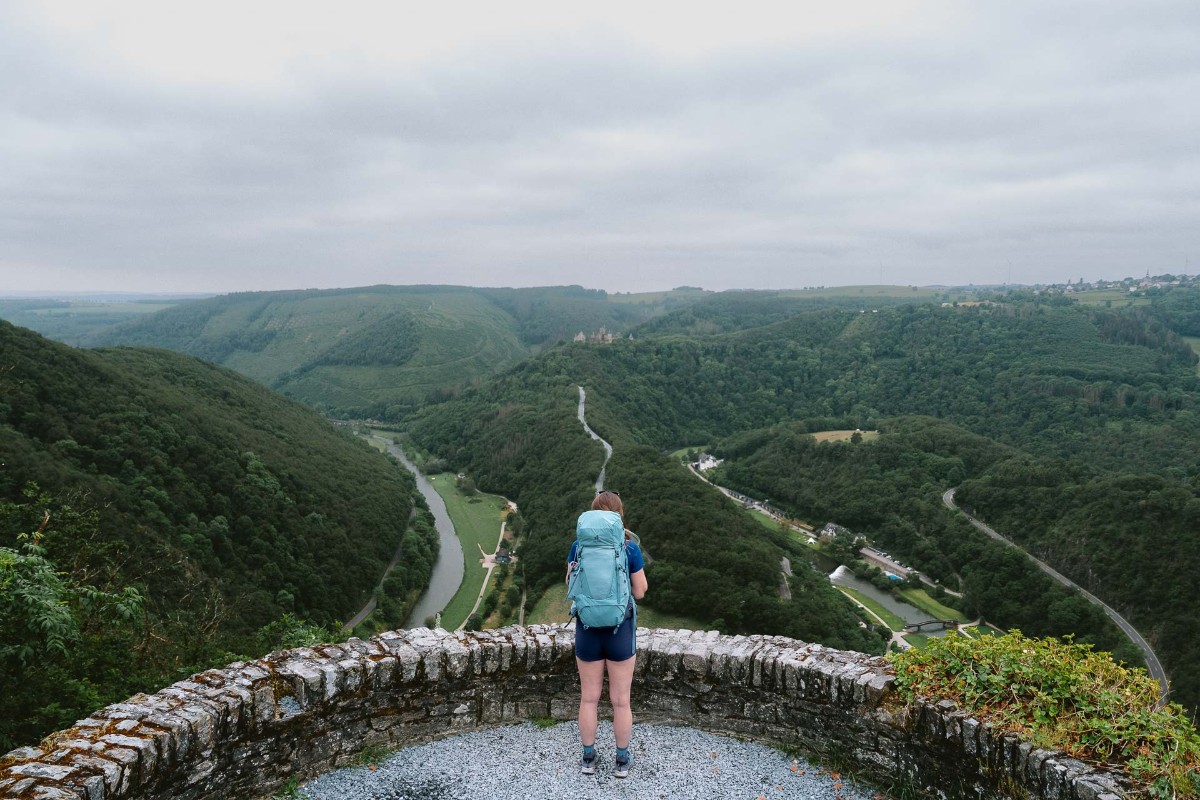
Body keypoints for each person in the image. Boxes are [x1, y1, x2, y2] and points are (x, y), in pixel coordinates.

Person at [566, 490, 648, 778]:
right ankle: (622, 761)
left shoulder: (579, 546)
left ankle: (588, 758)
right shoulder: (629, 548)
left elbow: (571, 584)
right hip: (619, 630)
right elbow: (640, 591)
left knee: (589, 698)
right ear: (619, 516)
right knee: (621, 700)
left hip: (587, 628)